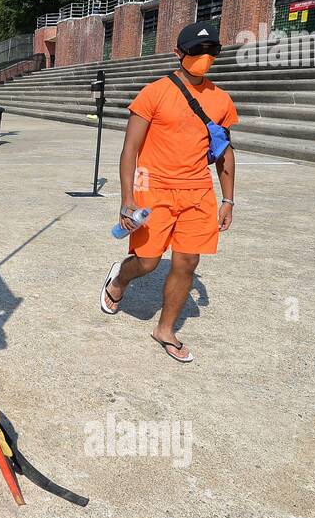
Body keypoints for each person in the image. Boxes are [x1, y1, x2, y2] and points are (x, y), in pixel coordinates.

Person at [99, 20, 237, 363]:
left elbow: (224, 151)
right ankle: (119, 277)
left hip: (197, 193)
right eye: (197, 51)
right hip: (154, 188)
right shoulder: (154, 92)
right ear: (179, 53)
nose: (204, 57)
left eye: (211, 51)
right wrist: (127, 199)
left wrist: (228, 199)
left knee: (187, 261)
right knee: (147, 261)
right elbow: (130, 149)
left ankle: (166, 329)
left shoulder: (221, 100)